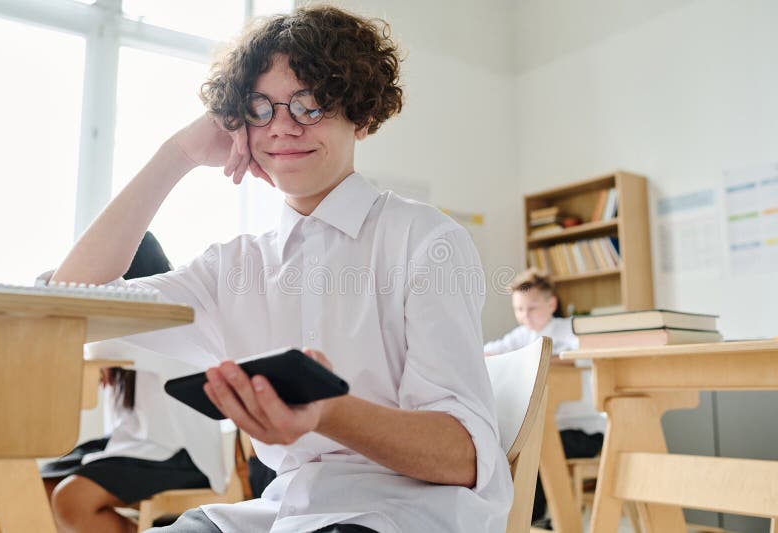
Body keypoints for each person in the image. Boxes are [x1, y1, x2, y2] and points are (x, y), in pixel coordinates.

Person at [51, 5, 512, 533]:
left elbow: (462, 457)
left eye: (309, 104)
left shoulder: (425, 241)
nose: (283, 127)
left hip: (409, 512)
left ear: (359, 113)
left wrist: (327, 411)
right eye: (261, 107)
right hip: (286, 510)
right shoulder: (232, 266)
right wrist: (175, 154)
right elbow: (70, 306)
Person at [41, 232, 222, 533]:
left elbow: (96, 339)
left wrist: (100, 349)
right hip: (132, 443)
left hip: (182, 454)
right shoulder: (116, 334)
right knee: (41, 486)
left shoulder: (167, 319)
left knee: (71, 499)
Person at [484, 268, 605, 527]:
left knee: (534, 448)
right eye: (519, 309)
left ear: (551, 304)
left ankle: (534, 520)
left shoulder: (569, 331)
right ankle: (516, 521)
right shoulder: (521, 336)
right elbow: (491, 350)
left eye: (531, 308)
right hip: (549, 429)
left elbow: (577, 357)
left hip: (582, 431)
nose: (524, 316)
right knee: (508, 446)